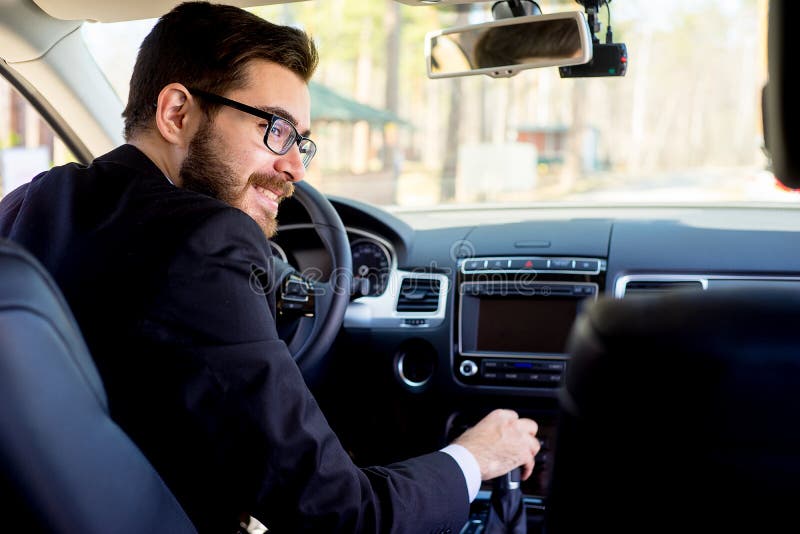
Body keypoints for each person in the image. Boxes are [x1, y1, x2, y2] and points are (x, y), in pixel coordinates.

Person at [0, 3, 540, 532]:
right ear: (177, 114)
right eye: (276, 130)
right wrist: (475, 457)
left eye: (302, 141)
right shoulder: (208, 240)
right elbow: (345, 515)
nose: (296, 168)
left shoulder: (28, 203)